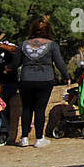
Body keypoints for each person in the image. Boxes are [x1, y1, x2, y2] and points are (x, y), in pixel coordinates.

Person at [15, 17, 69, 147]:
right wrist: (66, 75)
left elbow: (16, 63)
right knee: (40, 109)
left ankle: (24, 138)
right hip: (45, 79)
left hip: (26, 78)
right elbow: (59, 62)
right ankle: (39, 138)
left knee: (26, 108)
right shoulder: (52, 45)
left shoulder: (23, 44)